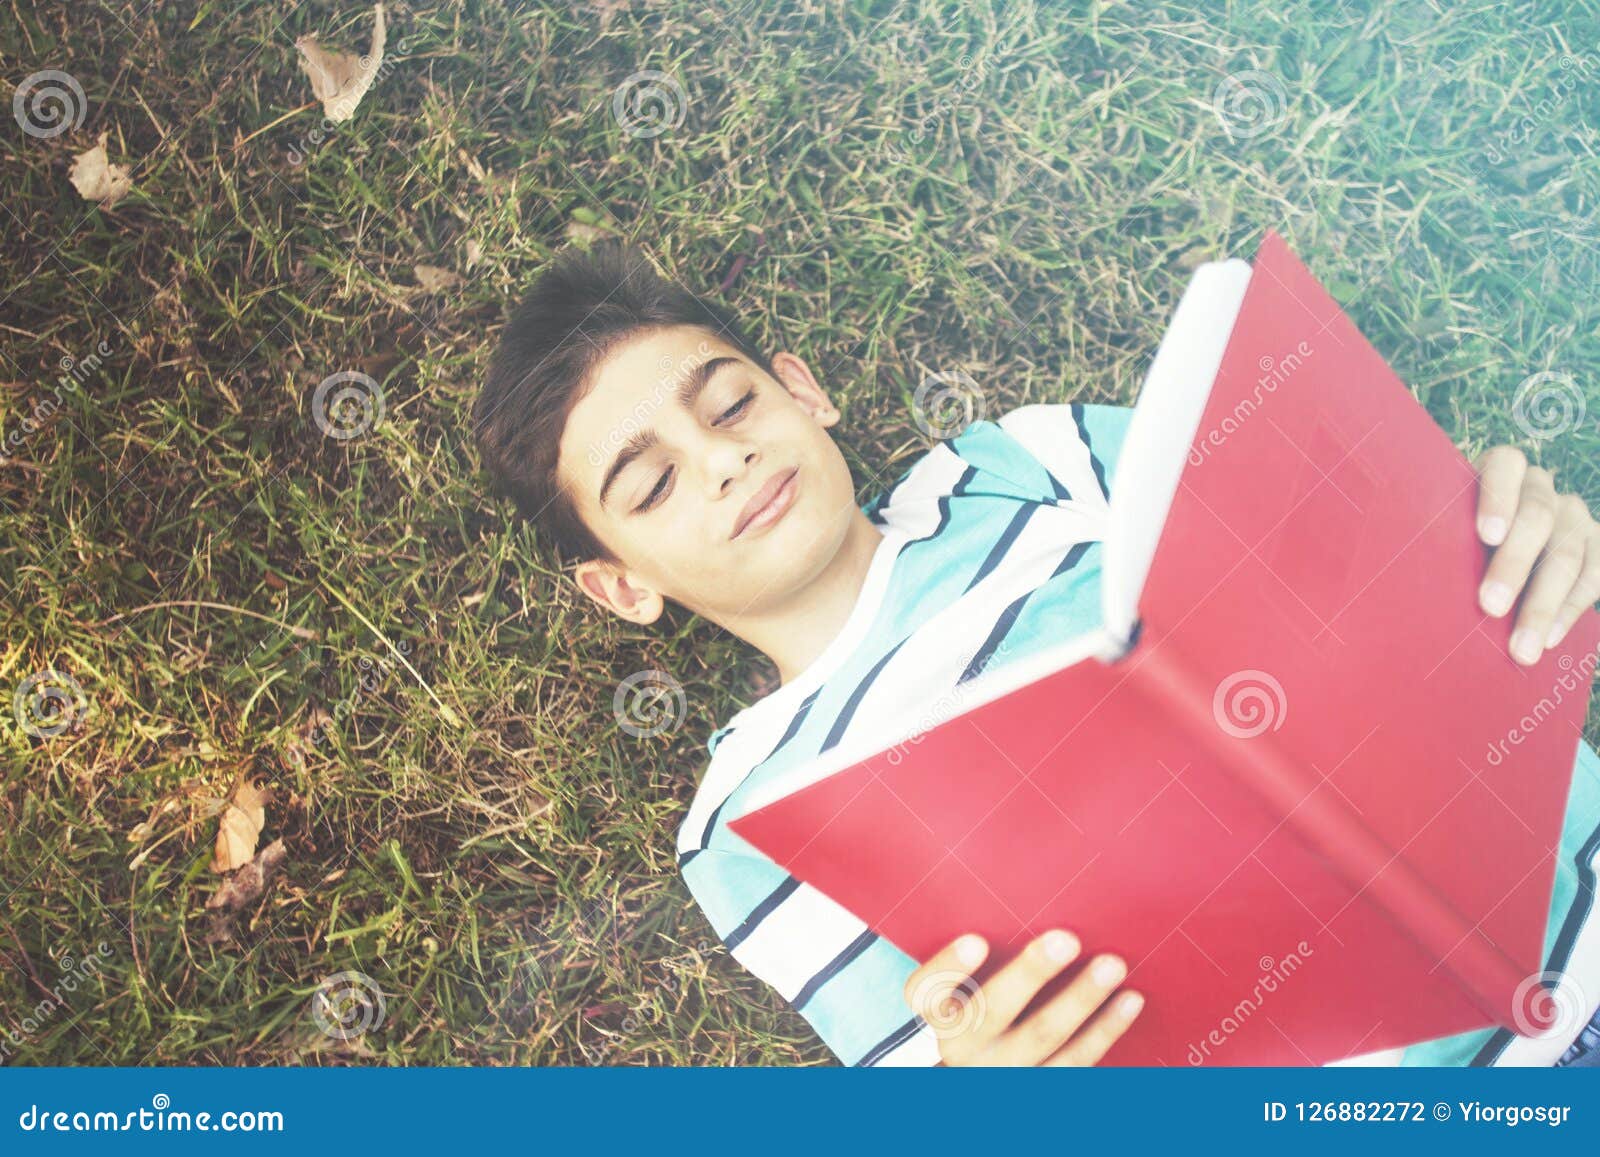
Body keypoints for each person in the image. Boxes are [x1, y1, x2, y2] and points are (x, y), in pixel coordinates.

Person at [472, 240, 1600, 1066]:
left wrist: (1489, 534)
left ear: (802, 391)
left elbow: (1343, 539)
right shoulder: (743, 822)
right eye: (653, 483)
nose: (723, 460)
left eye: (729, 405)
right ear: (624, 586)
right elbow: (933, 1073)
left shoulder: (1019, 462)